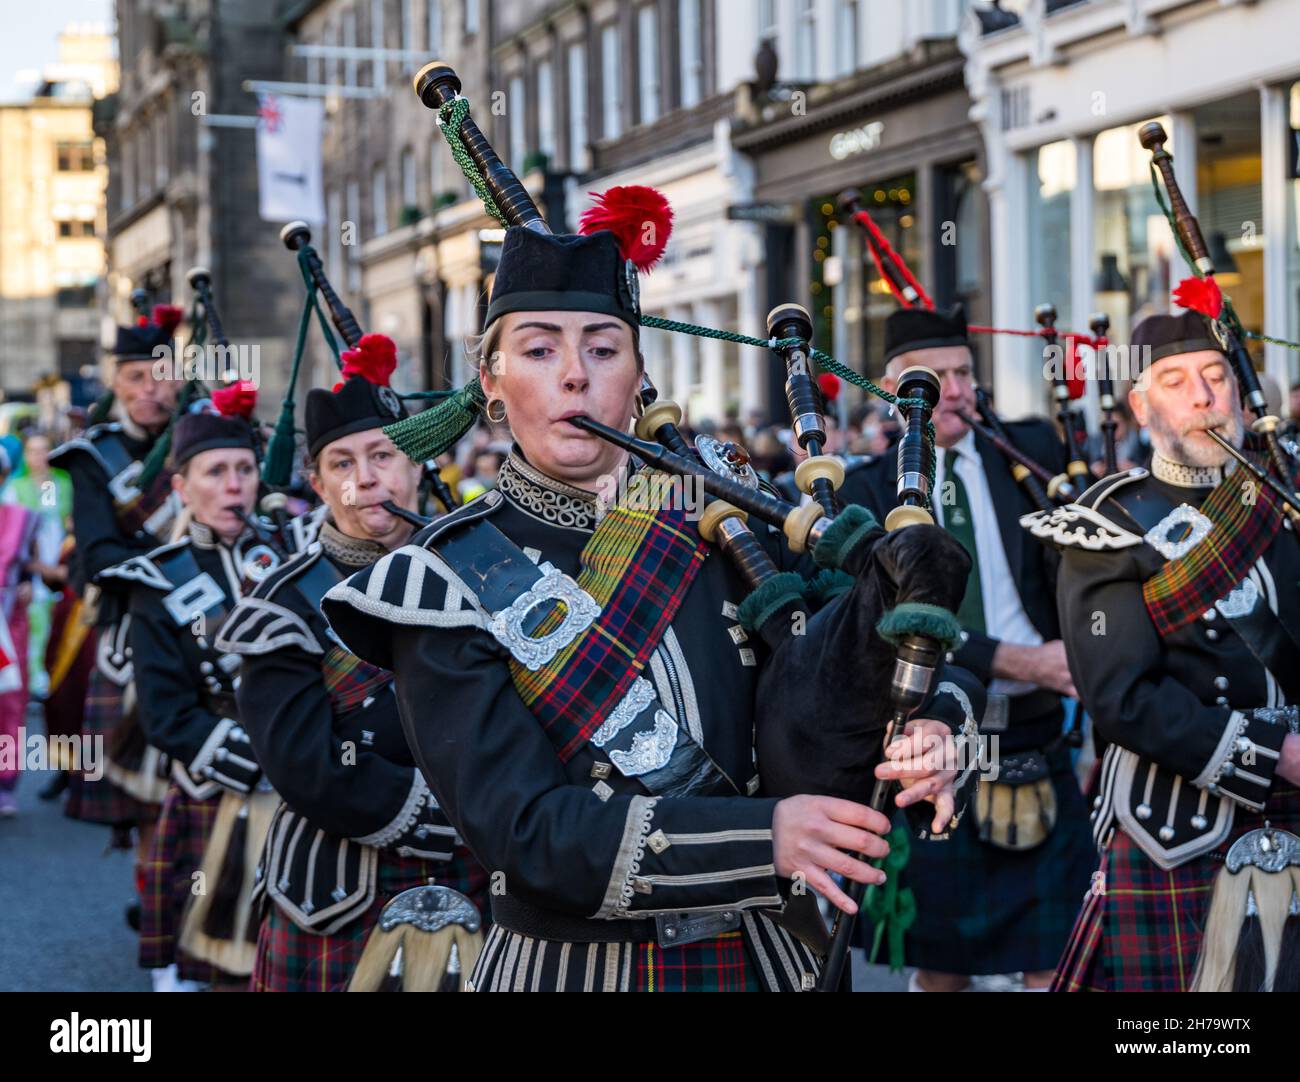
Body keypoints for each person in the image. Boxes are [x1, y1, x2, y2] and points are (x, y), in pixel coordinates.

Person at [320, 193, 973, 992]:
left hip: (770, 965)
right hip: (572, 971)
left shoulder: (732, 520)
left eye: (603, 350)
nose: (573, 375)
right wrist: (765, 839)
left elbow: (836, 681)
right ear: (491, 384)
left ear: (637, 378)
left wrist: (930, 726)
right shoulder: (438, 582)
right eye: (537, 351)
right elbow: (521, 832)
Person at [1034, 311, 1300, 992]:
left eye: (1217, 378)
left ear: (1240, 393)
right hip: (1178, 834)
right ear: (1140, 405)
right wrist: (1278, 754)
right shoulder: (1108, 524)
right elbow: (1121, 699)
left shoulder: (1286, 494)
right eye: (1176, 382)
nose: (1204, 396)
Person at [216, 334, 486, 992]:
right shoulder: (283, 601)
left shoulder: (486, 569)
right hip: (339, 889)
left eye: (383, 456)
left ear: (417, 466)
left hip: (488, 877)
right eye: (341, 463)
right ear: (316, 482)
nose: (365, 479)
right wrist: (462, 811)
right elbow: (304, 766)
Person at [837, 305, 1094, 991]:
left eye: (963, 373)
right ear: (890, 392)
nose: (953, 390)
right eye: (932, 376)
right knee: (943, 969)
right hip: (936, 746)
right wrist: (1013, 660)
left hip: (1039, 737)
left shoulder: (1029, 454)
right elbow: (893, 623)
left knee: (1056, 961)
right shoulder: (865, 492)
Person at [100, 386, 275, 990]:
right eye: (216, 472)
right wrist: (252, 760)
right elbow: (166, 712)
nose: (234, 485)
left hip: (304, 789)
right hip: (215, 783)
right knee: (214, 962)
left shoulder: (292, 557)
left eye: (245, 470)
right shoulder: (156, 581)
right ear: (182, 488)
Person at [49, 306, 184, 847]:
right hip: (134, 629)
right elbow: (102, 555)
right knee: (145, 791)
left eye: (161, 375)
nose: (150, 389)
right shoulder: (91, 457)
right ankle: (156, 895)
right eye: (135, 377)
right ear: (115, 382)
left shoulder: (204, 441)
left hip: (213, 626)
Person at [3, 430, 73, 699]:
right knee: (31, 626)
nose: (39, 456)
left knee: (54, 624)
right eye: (33, 451)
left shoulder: (59, 483)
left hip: (58, 565)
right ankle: (30, 680)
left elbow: (59, 520)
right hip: (26, 571)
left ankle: (46, 677)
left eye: (44, 449)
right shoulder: (15, 487)